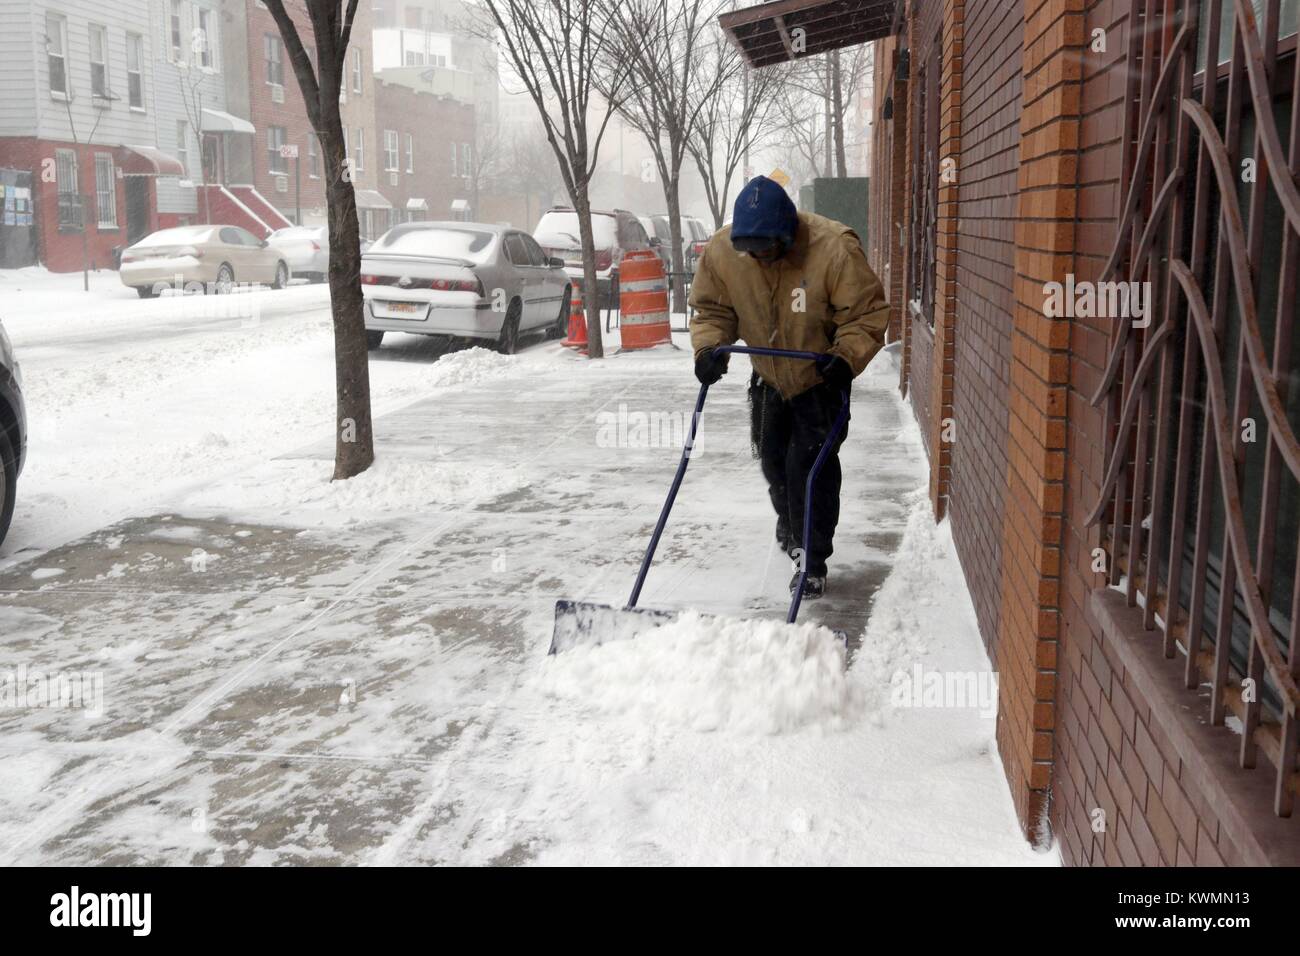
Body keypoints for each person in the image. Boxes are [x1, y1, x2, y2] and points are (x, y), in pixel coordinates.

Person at [688, 175, 889, 599]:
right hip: (767, 377)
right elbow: (712, 309)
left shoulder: (834, 249)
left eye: (767, 249)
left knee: (808, 470)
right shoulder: (724, 253)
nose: (758, 258)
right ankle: (791, 521)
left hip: (819, 378)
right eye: (750, 251)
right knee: (774, 463)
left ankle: (812, 559)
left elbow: (866, 314)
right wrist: (708, 349)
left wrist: (846, 356)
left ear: (788, 234)